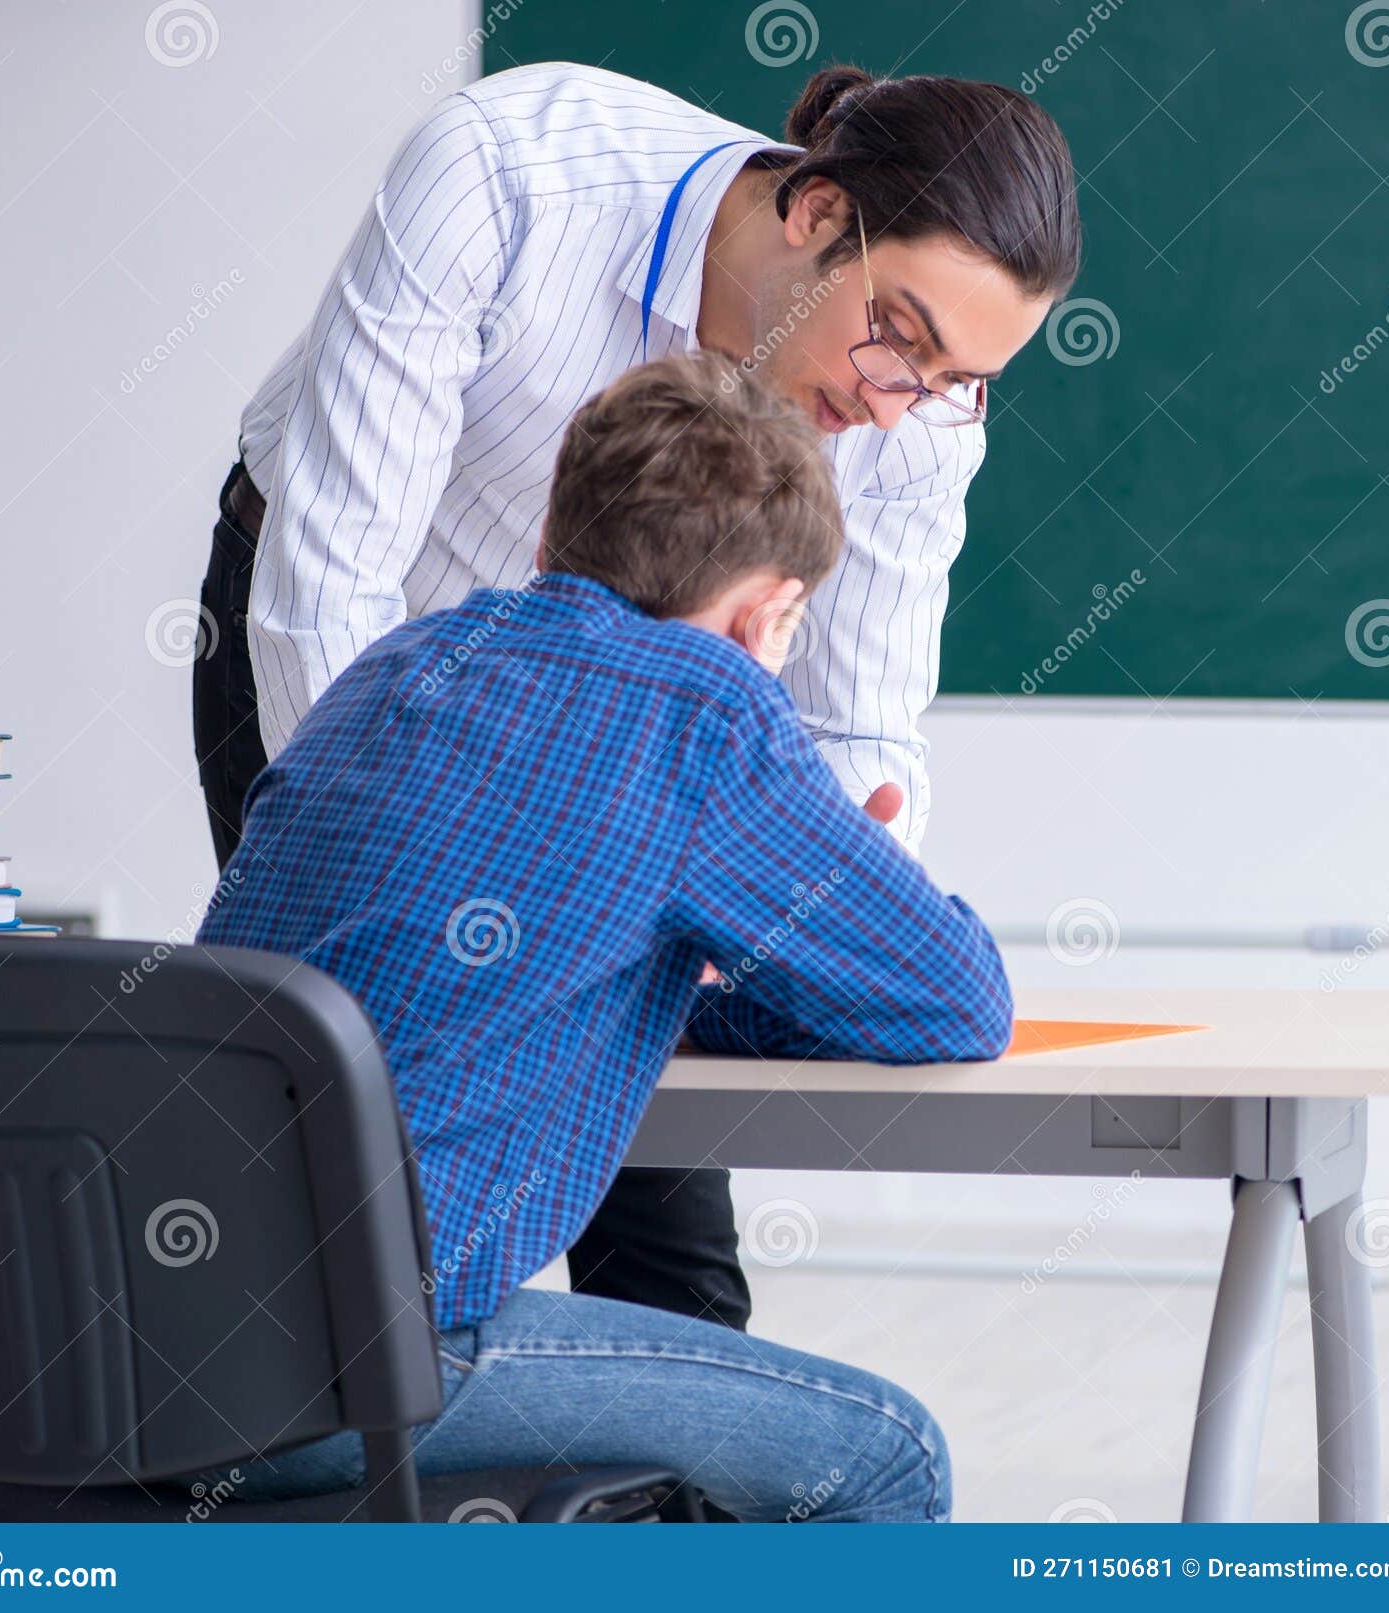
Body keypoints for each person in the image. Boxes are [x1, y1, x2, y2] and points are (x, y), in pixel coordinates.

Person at [194, 58, 1075, 1335]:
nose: (897, 407)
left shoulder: (914, 423)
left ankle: (637, 1471)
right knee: (369, 1099)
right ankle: (302, 1436)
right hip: (366, 665)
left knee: (660, 1203)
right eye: (901, 336)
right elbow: (330, 583)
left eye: (954, 381)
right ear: (816, 214)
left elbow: (859, 725)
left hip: (635, 732)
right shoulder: (512, 174)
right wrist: (448, 857)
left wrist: (799, 906)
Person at [194, 353, 1012, 1522]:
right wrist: (843, 857)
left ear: (547, 542)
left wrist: (694, 954)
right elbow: (958, 999)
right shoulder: (705, 705)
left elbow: (543, 967)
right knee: (885, 1454)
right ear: (766, 613)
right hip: (336, 1374)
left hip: (109, 1335)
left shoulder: (399, 664)